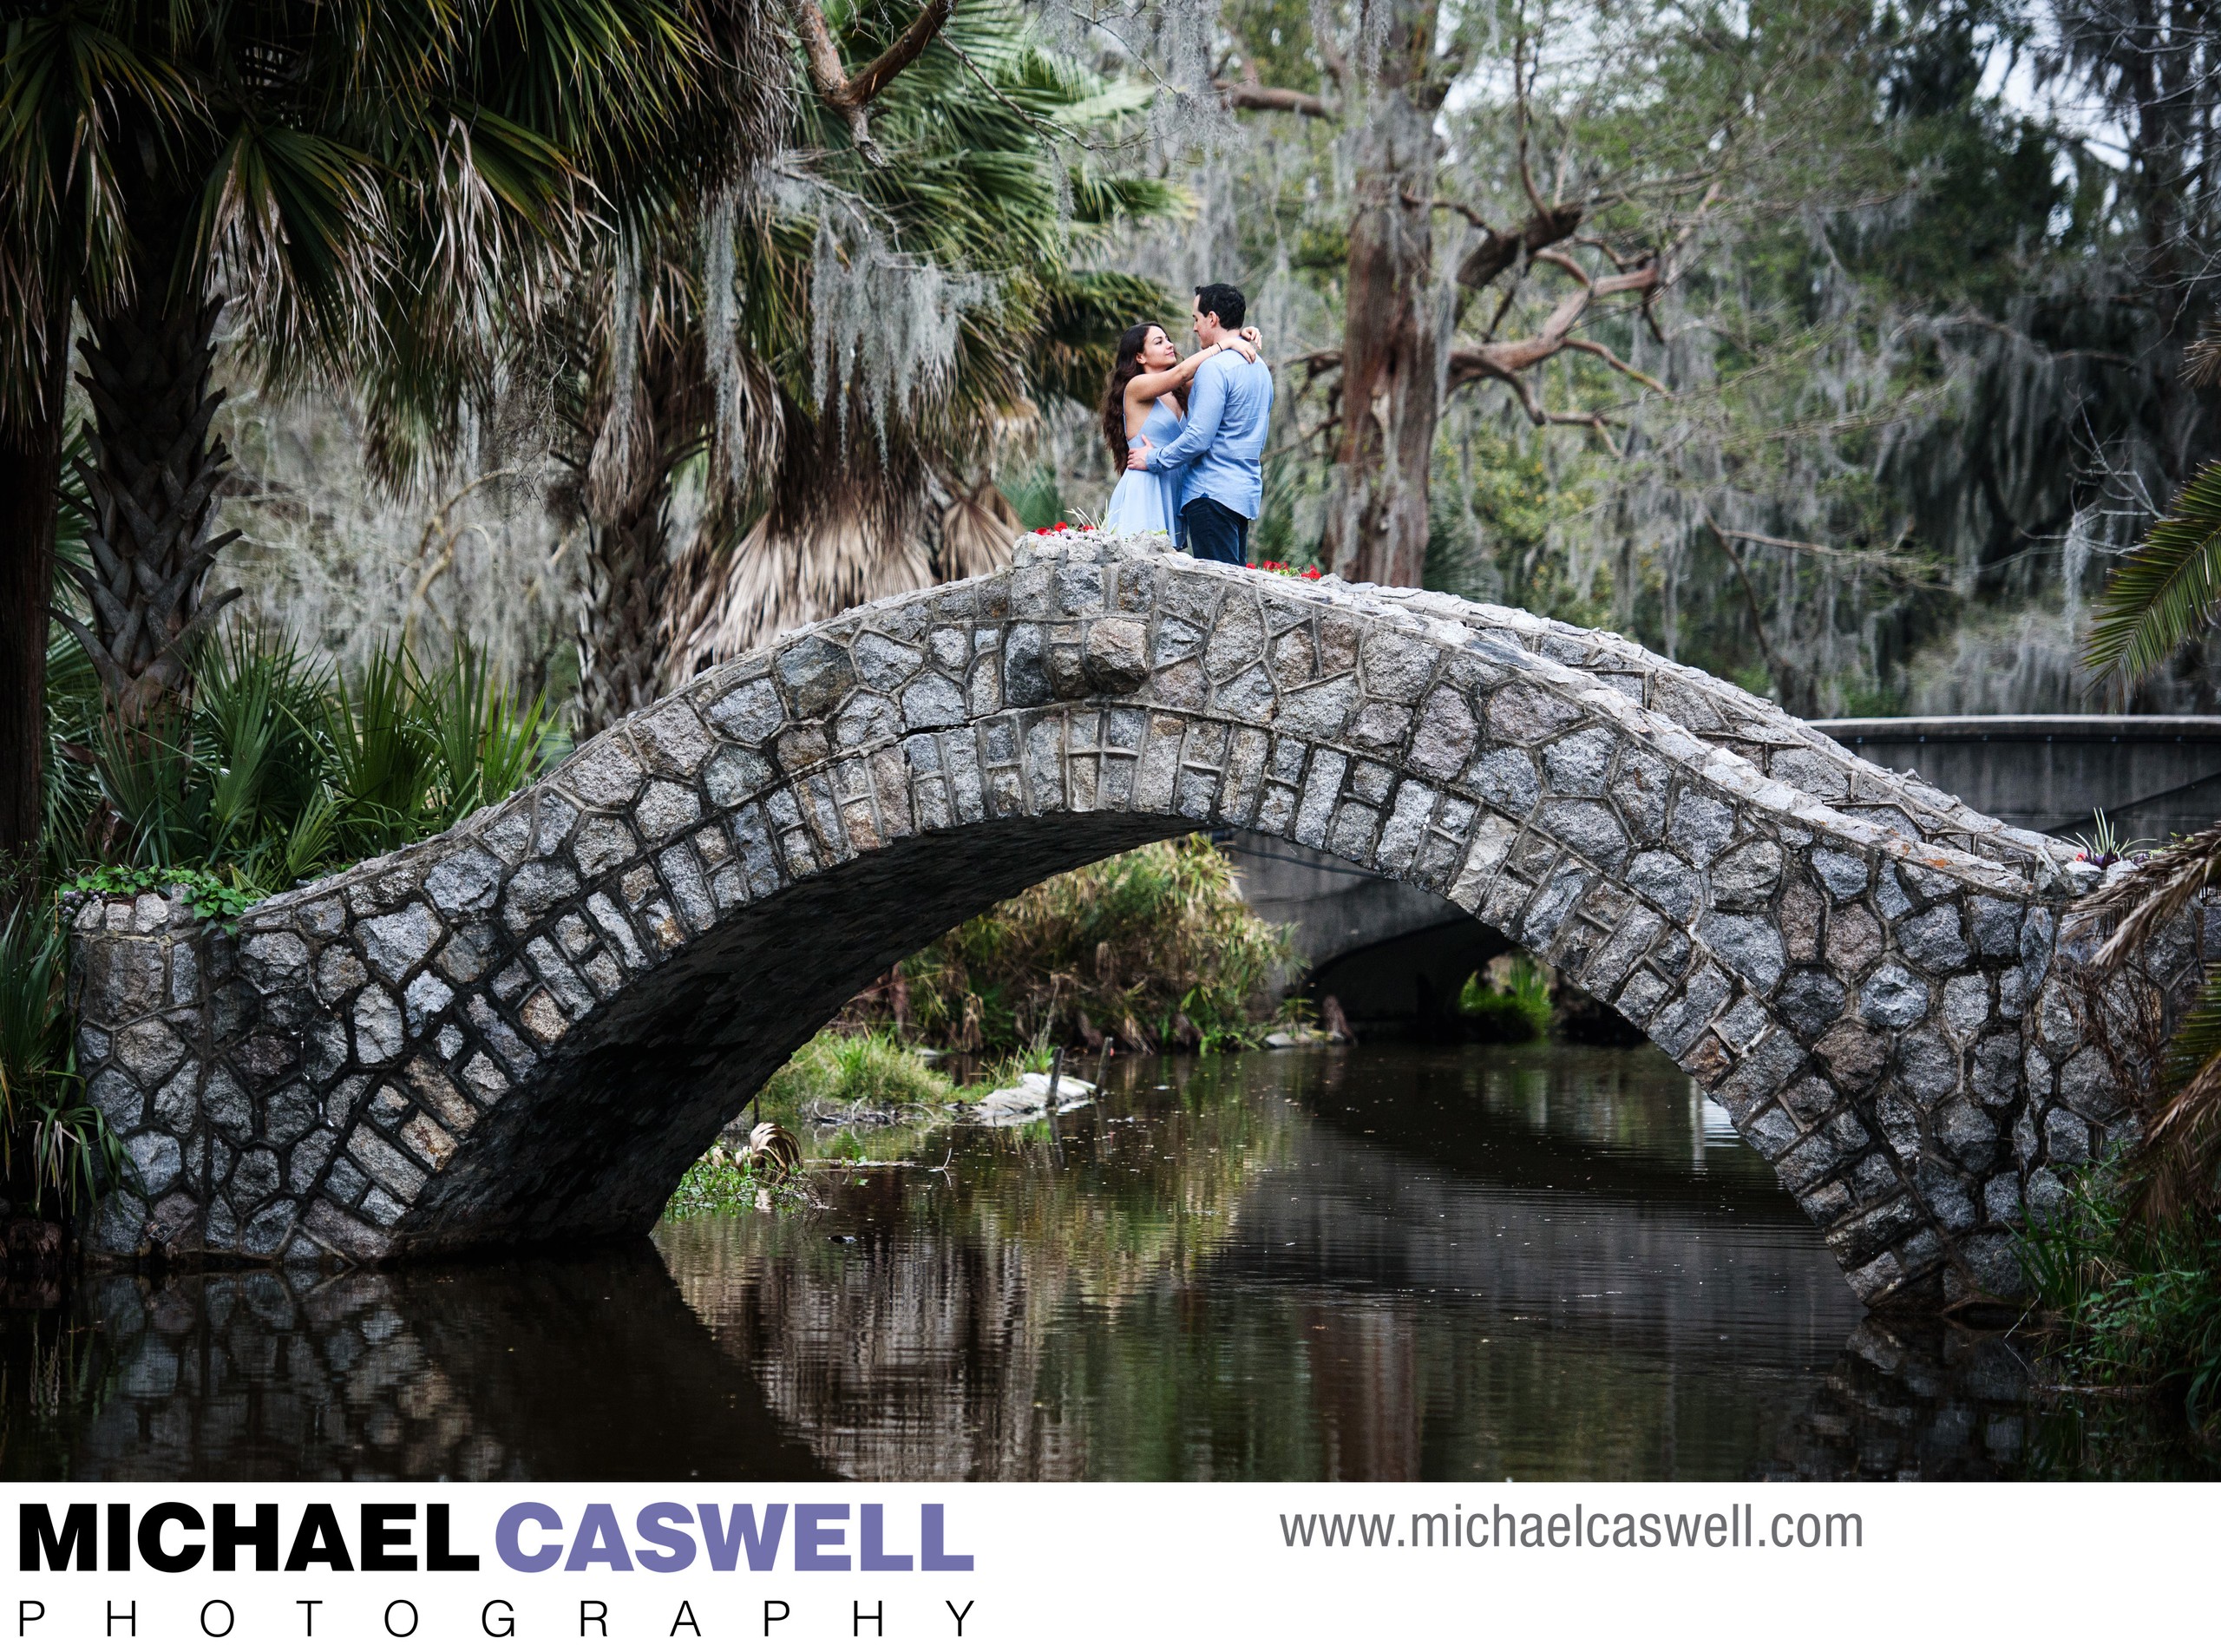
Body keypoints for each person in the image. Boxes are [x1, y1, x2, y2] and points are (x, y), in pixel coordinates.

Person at [1126, 282, 1273, 565]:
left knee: (1224, 595)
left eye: (1196, 318)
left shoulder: (1214, 369)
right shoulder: (1259, 367)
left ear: (1213, 318)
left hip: (1211, 495)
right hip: (1241, 494)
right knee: (1233, 591)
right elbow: (1182, 375)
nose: (1193, 328)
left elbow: (1198, 438)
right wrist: (1233, 338)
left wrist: (1154, 457)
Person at [1097, 319, 1261, 541]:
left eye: (1168, 339)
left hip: (1171, 488)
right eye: (1159, 342)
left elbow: (1215, 374)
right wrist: (1227, 344)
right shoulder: (1136, 387)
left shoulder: (1178, 391)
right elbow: (1182, 372)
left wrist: (1240, 336)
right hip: (1146, 490)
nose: (1169, 344)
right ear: (1140, 356)